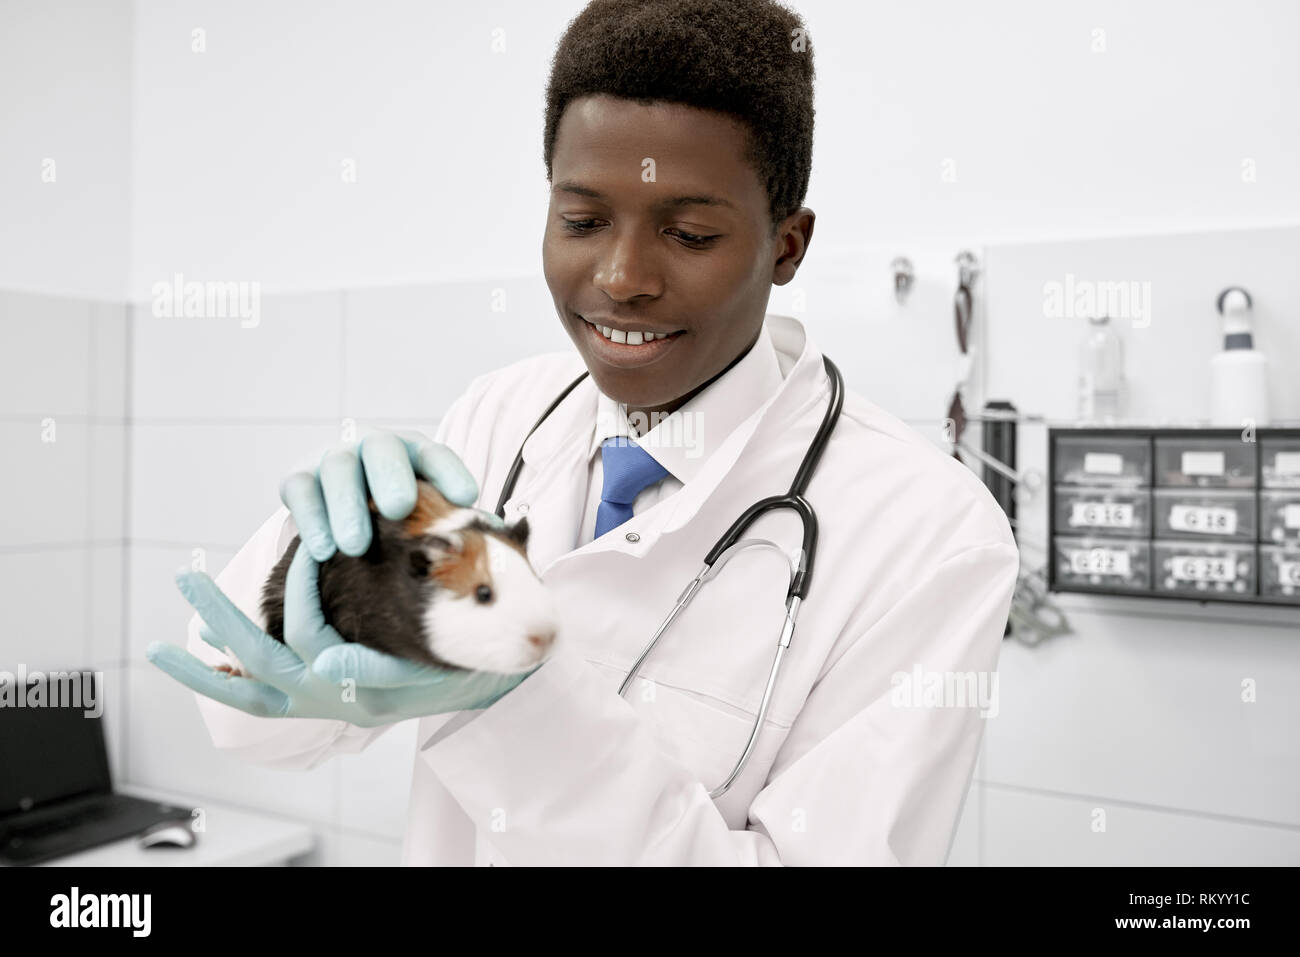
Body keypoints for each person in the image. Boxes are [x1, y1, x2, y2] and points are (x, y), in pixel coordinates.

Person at [148, 0, 1019, 866]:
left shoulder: (931, 536)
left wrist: (515, 702)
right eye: (581, 221)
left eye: (689, 232)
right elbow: (246, 716)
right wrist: (311, 559)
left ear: (788, 245)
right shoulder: (496, 422)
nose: (621, 278)